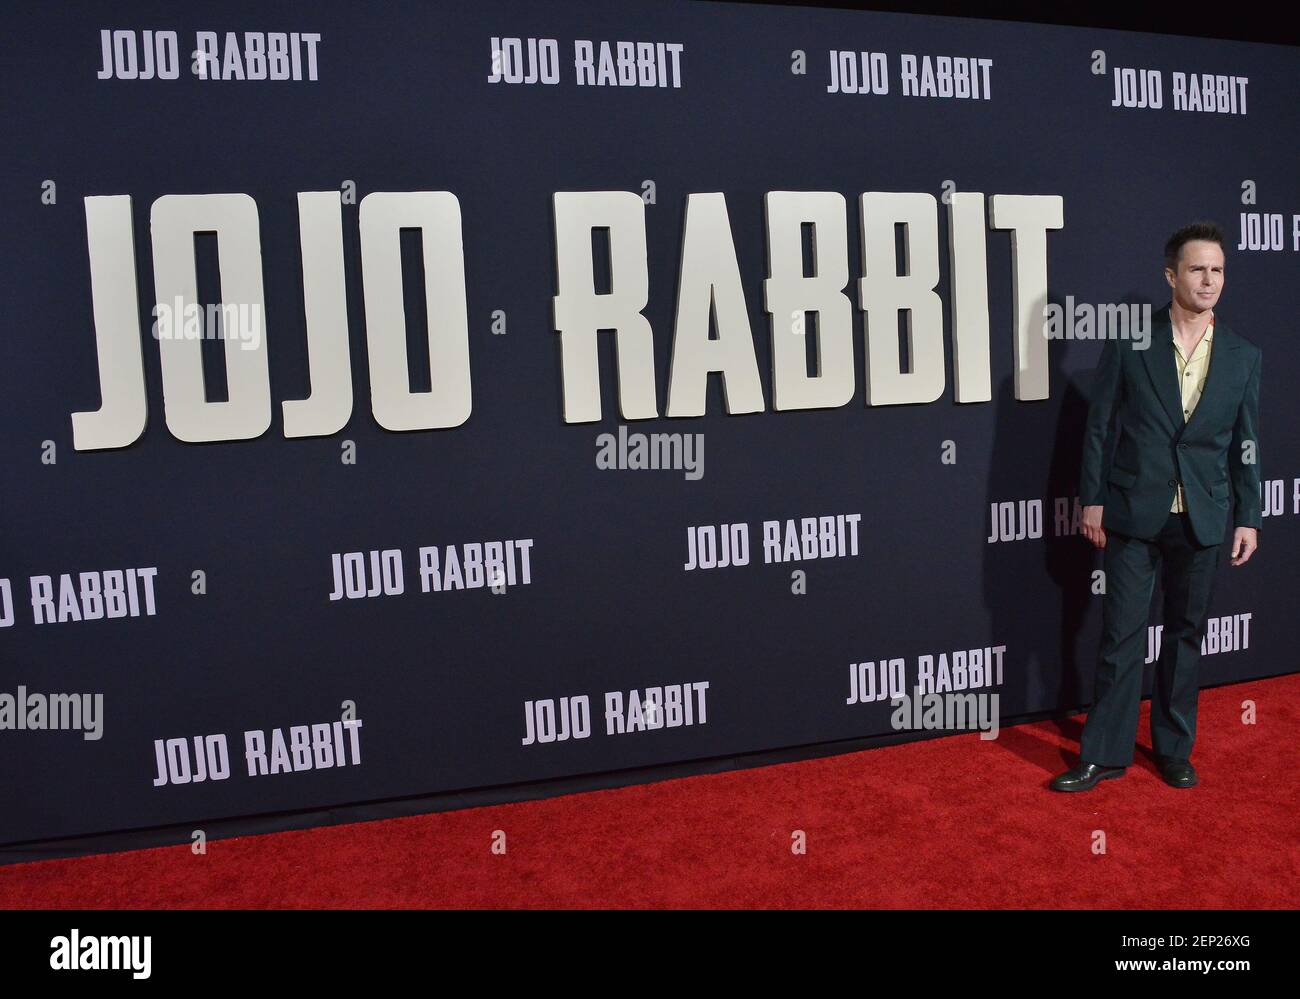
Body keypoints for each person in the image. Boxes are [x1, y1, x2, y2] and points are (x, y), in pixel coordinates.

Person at [1053, 221, 1261, 792]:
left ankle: (1173, 749)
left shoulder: (1243, 355)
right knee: (1120, 637)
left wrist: (1248, 515)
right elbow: (1100, 428)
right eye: (1197, 269)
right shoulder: (1132, 341)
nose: (1209, 280)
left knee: (1186, 636)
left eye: (1217, 270)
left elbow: (1246, 443)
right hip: (1133, 510)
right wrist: (1092, 499)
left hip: (1204, 513)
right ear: (1171, 276)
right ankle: (1104, 754)